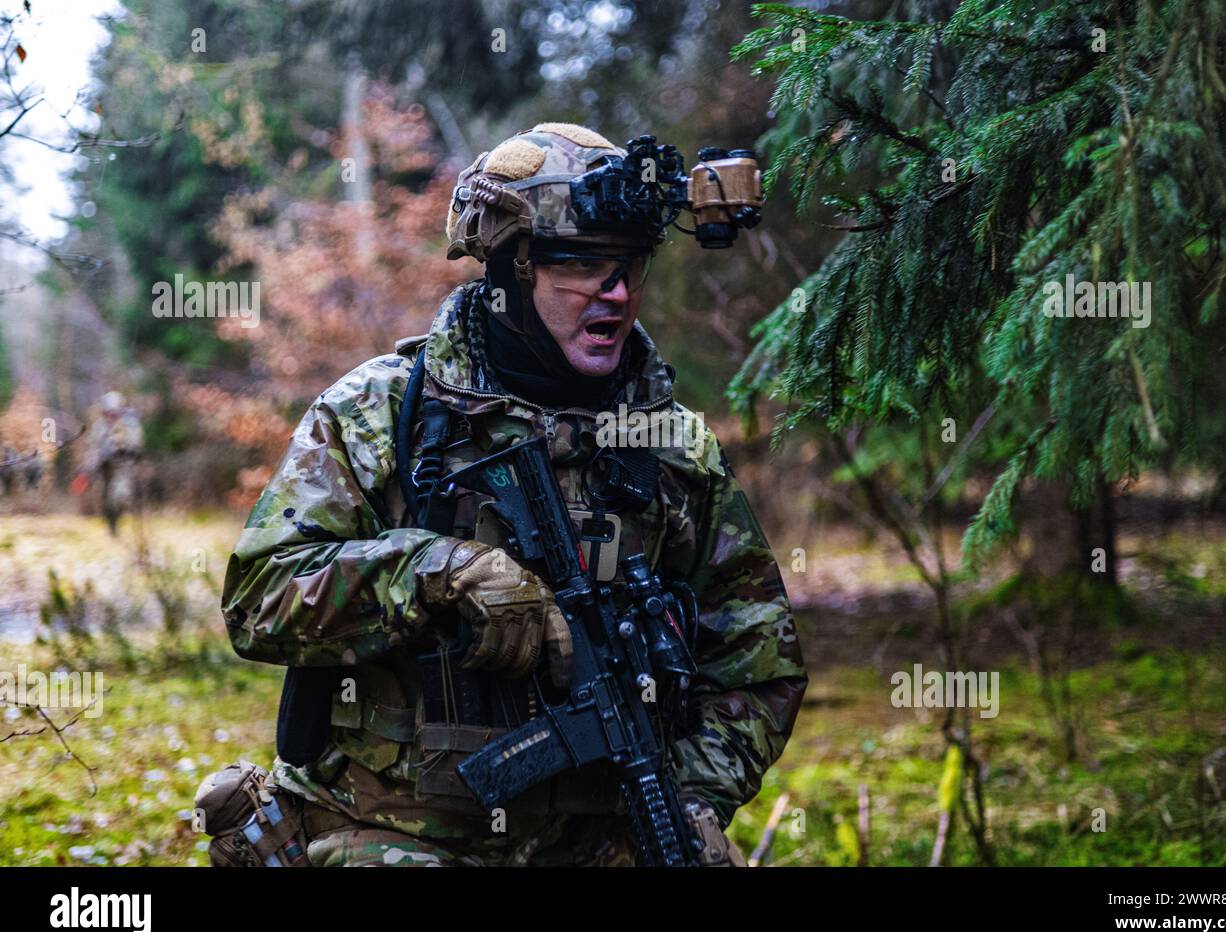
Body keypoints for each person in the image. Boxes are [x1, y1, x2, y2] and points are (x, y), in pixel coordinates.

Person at [216, 122, 807, 866]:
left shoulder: (672, 446)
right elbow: (258, 598)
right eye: (582, 265)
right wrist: (434, 573)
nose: (617, 293)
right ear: (509, 272)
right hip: (391, 838)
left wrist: (689, 798)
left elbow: (759, 658)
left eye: (632, 265)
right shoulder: (380, 412)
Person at [86, 391, 143, 535]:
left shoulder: (130, 424)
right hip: (105, 468)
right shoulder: (99, 426)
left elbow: (136, 443)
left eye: (114, 411)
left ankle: (121, 522)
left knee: (121, 496)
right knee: (106, 499)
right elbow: (93, 447)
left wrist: (125, 447)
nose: (112, 414)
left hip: (123, 465)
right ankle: (112, 527)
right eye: (109, 411)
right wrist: (90, 467)